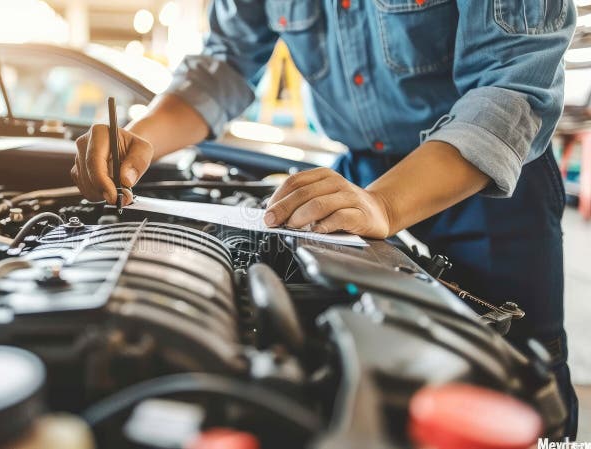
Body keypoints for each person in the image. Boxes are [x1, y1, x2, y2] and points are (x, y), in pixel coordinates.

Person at [72, 0, 578, 437]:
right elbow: (222, 66)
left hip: (486, 183)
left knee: (519, 380)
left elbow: (514, 86)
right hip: (358, 177)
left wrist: (384, 204)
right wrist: (138, 142)